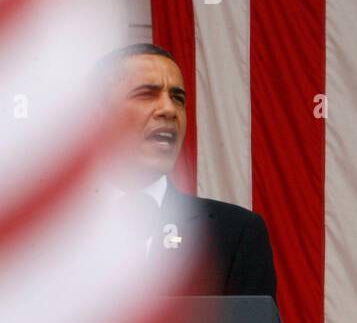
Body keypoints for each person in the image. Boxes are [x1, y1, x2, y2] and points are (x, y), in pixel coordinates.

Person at [94, 43, 276, 298]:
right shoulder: (42, 230)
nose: (169, 110)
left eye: (178, 98)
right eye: (147, 94)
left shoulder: (235, 234)